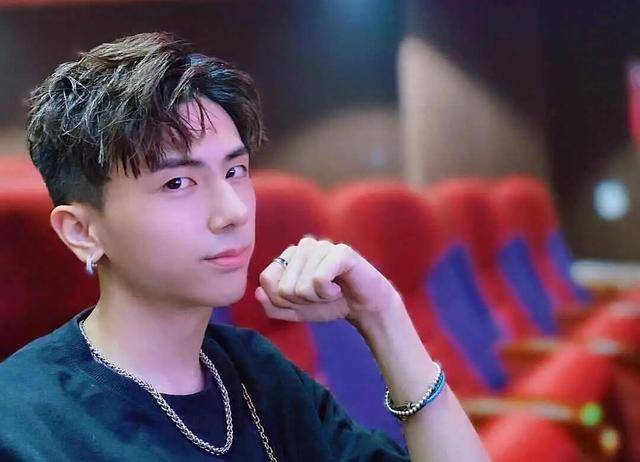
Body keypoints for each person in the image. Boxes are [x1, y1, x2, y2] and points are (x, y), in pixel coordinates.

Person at [0, 32, 490, 461]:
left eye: (235, 171)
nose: (233, 210)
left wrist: (383, 317)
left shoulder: (257, 371)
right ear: (81, 232)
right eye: (177, 183)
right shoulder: (24, 425)